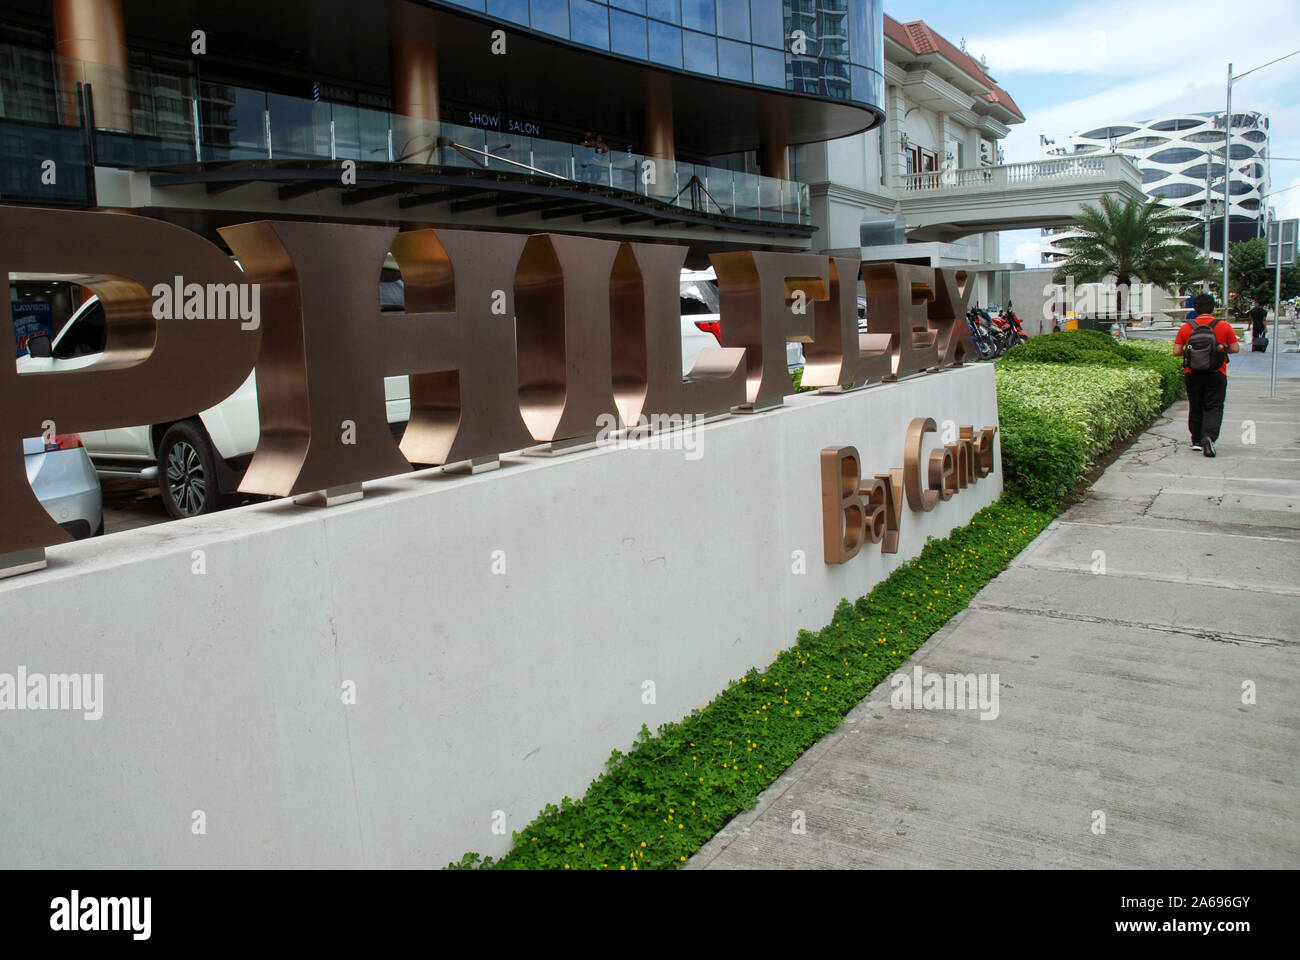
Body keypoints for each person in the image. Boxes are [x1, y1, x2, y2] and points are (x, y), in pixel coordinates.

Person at [1173, 293, 1240, 457]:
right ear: (1213, 308)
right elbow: (1235, 349)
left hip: (1192, 373)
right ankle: (1208, 436)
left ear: (1195, 309)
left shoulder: (1186, 327)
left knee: (1195, 404)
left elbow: (1176, 352)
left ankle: (1196, 440)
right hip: (1217, 373)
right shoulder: (1224, 326)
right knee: (1214, 405)